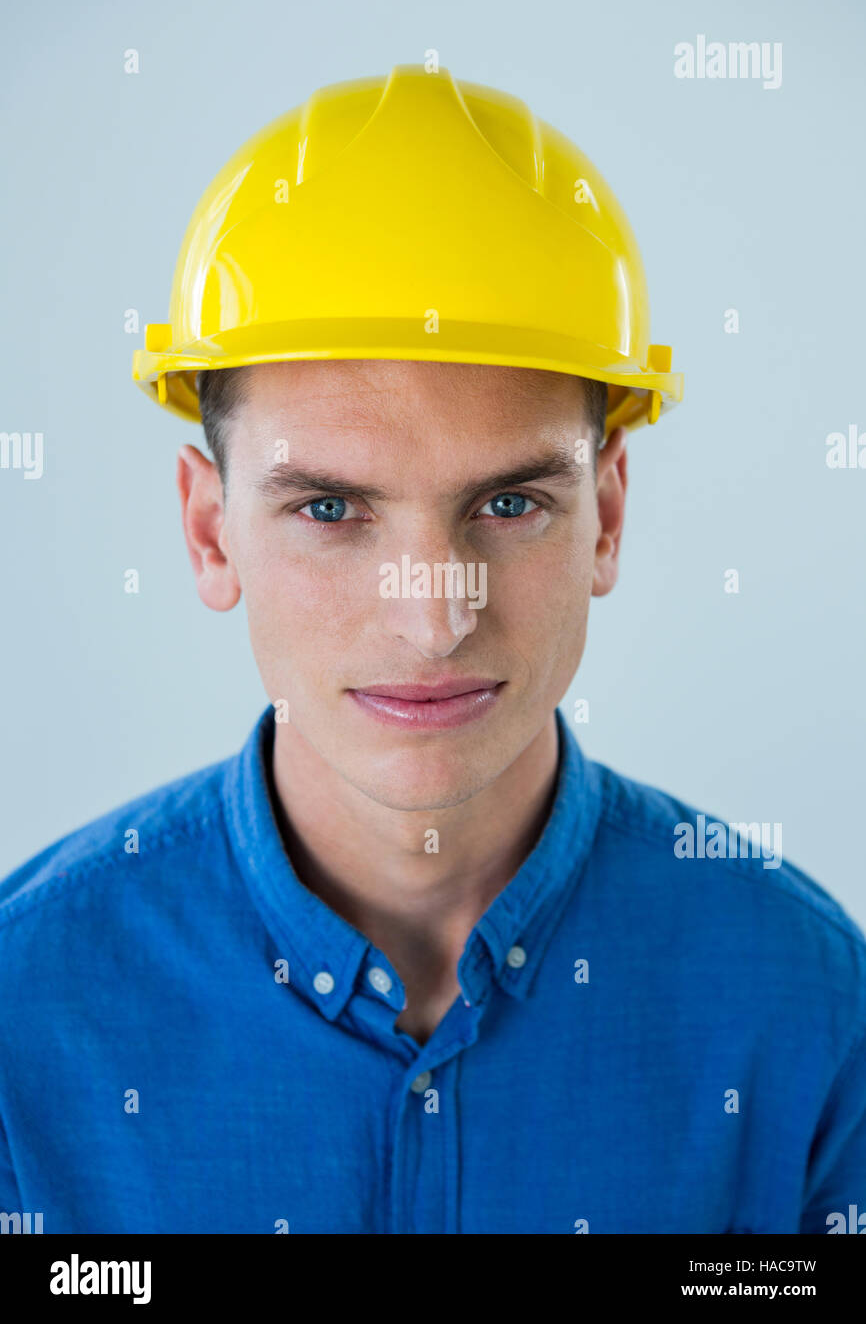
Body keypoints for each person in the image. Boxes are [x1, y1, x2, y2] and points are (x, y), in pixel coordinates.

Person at [1, 66, 863, 1236]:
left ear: (604, 517)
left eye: (507, 506)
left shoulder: (809, 1008)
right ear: (210, 530)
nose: (431, 617)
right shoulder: (24, 1009)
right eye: (329, 510)